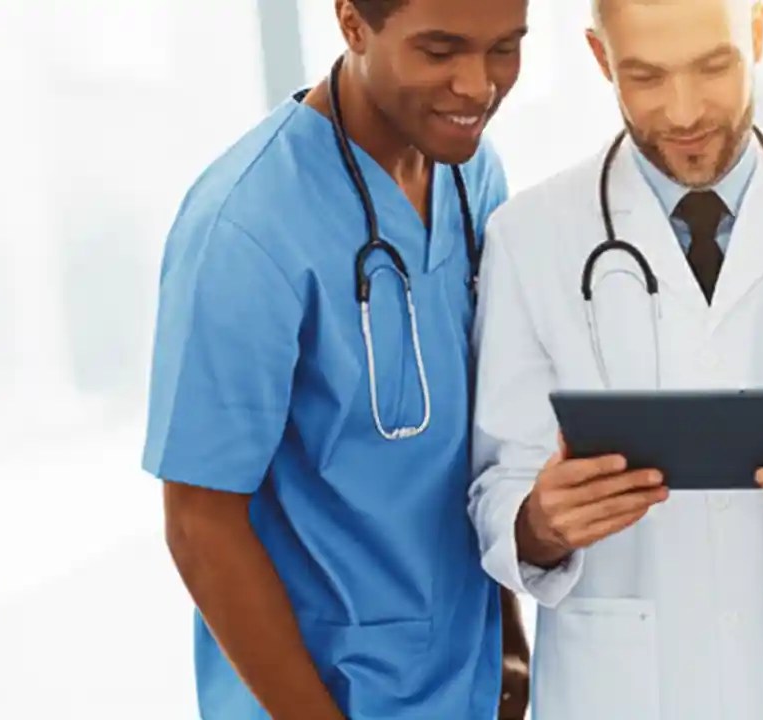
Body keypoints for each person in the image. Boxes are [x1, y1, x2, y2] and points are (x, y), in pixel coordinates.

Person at [467, 0, 763, 716]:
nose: (683, 112)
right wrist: (542, 522)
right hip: (614, 689)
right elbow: (498, 486)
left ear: (759, 33)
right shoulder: (529, 238)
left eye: (713, 67)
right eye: (645, 77)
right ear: (599, 58)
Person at [140, 1, 533, 718]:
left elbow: (476, 440)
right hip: (319, 691)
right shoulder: (246, 225)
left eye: (504, 48)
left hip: (463, 679)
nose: (477, 86)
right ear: (353, 24)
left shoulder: (471, 176)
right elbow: (200, 521)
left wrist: (508, 643)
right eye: (440, 50)